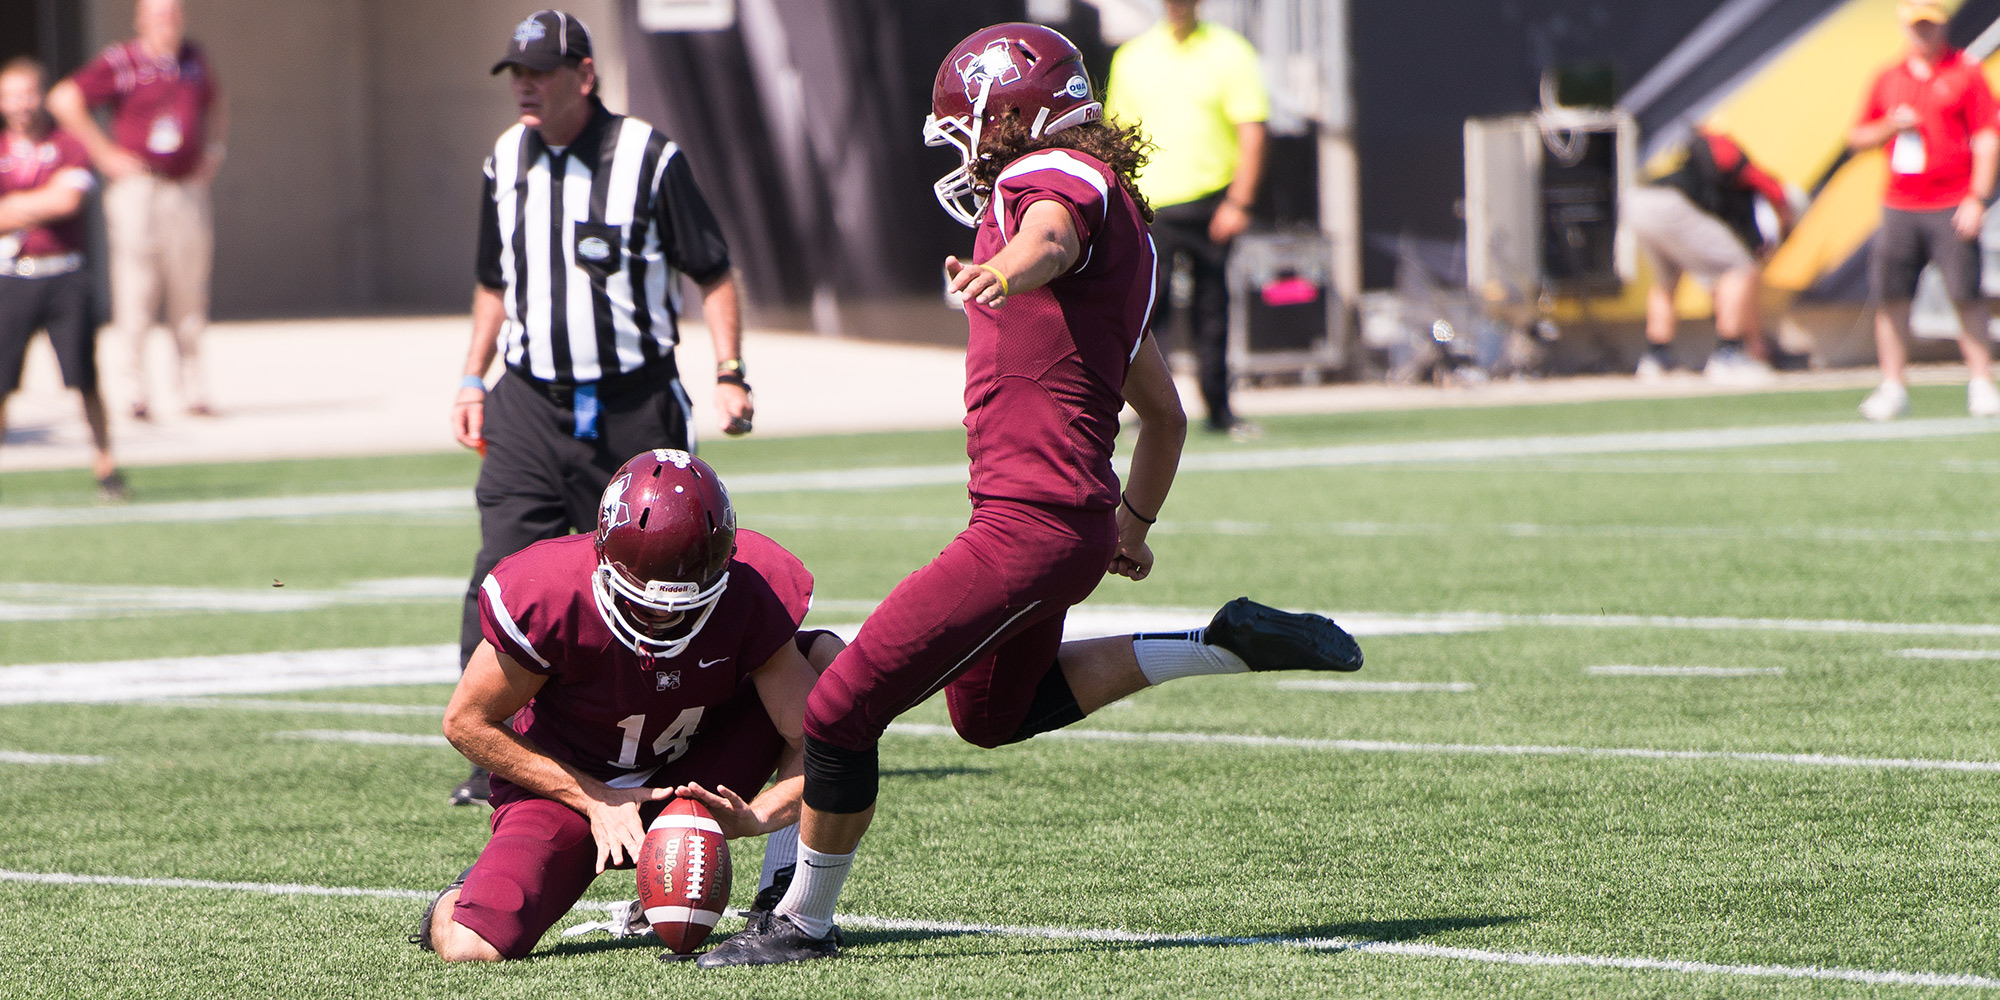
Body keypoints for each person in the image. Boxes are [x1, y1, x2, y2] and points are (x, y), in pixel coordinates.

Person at [695, 24, 1361, 968]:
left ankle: (801, 921)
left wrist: (1004, 268)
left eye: (969, 125)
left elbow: (1048, 231)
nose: (963, 147)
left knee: (839, 710)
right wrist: (1131, 522)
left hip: (1029, 525)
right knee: (990, 715)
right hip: (1072, 524)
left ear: (1015, 114)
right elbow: (1165, 418)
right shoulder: (1120, 231)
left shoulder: (1049, 188)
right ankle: (1218, 644)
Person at [445, 10, 757, 806]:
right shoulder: (505, 158)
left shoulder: (650, 158)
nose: (524, 84)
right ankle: (497, 760)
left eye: (541, 71)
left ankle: (667, 741)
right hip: (528, 402)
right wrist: (472, 377)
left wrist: (729, 370)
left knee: (657, 582)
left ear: (584, 75)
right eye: (516, 71)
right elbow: (493, 281)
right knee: (500, 571)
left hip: (633, 407)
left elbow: (713, 270)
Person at [412, 449, 831, 962]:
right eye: (646, 605)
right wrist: (592, 797)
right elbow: (466, 722)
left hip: (695, 773)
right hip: (565, 786)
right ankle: (462, 893)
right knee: (469, 945)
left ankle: (785, 902)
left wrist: (762, 813)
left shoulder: (751, 586)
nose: (664, 624)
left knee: (832, 671)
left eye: (685, 606)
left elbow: (819, 744)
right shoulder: (550, 591)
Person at [47, 0, 226, 422]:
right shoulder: (122, 61)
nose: (168, 25)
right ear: (141, 21)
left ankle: (193, 387)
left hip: (183, 188)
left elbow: (216, 103)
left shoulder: (193, 60)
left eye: (174, 16)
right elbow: (64, 99)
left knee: (189, 291)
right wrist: (104, 153)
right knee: (137, 291)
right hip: (139, 187)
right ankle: (134, 391)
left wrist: (214, 150)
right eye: (159, 17)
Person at [1104, 0, 1267, 440]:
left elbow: (1251, 128)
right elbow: (1116, 134)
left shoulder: (1230, 51)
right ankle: (1145, 409)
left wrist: (1239, 202)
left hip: (1212, 202)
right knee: (1143, 311)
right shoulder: (1132, 56)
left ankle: (1219, 409)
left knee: (1212, 310)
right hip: (1152, 206)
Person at [1849, 0, 2000, 421]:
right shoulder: (1888, 77)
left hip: (1952, 202)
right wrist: (1889, 128)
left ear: (1943, 27)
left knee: (1965, 293)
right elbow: (1858, 136)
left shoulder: (1965, 73)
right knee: (1892, 296)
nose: (1923, 34)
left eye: (1930, 26)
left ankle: (1982, 382)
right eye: (1916, 27)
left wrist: (1977, 196)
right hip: (1901, 203)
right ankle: (1893, 385)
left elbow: (1988, 137)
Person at [0, 58, 126, 501]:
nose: (21, 104)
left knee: (84, 378)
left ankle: (106, 465)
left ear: (41, 94)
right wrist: (39, 202)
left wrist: (14, 205)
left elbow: (68, 201)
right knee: (2, 380)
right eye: (11, 95)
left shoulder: (68, 145)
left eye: (28, 93)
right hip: (14, 275)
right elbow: (46, 201)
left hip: (64, 274)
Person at [1627, 128, 1797, 384]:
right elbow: (1775, 190)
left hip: (1638, 202)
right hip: (1670, 205)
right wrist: (1787, 224)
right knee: (1740, 267)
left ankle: (1656, 358)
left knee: (1666, 279)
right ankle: (1728, 355)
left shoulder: (1714, 190)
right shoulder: (1744, 189)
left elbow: (1716, 287)